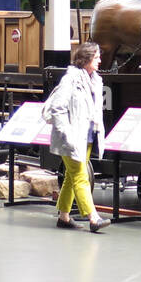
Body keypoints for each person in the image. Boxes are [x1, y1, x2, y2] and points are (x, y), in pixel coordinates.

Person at [41, 42, 111, 233]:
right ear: (86, 59)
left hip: (87, 136)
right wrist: (67, 134)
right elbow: (58, 108)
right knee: (80, 176)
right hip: (71, 138)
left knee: (71, 177)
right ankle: (93, 217)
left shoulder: (95, 80)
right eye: (96, 57)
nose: (100, 60)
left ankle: (64, 217)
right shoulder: (70, 79)